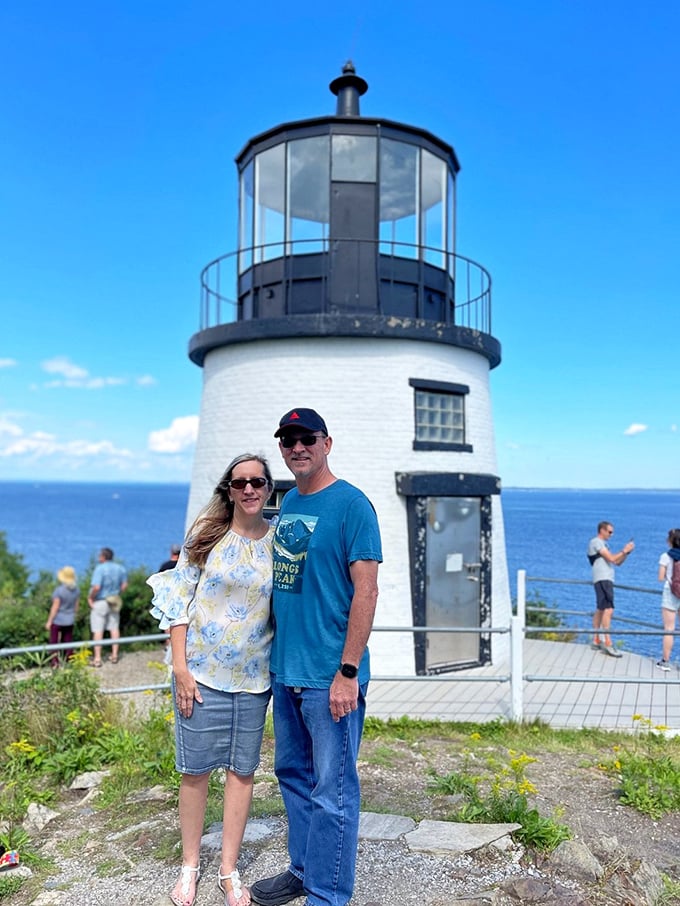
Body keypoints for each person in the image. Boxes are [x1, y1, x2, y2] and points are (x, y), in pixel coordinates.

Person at [251, 408, 382, 906]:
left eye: (307, 438)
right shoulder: (287, 501)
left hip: (331, 676)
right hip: (286, 670)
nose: (297, 447)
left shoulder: (353, 505)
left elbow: (366, 591)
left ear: (327, 443)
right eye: (288, 440)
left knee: (334, 791)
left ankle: (327, 895)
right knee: (293, 777)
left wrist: (347, 672)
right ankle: (304, 870)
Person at [148, 454, 276, 906]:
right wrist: (180, 669)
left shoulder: (278, 543)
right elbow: (178, 602)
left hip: (255, 680)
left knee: (242, 773)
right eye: (239, 482)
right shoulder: (206, 536)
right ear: (228, 489)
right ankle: (189, 867)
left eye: (257, 481)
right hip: (200, 677)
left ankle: (228, 870)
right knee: (195, 773)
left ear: (268, 487)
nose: (249, 489)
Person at [587, 521, 634, 657]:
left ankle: (596, 639)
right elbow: (612, 558)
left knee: (601, 609)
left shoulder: (604, 544)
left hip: (604, 578)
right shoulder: (596, 542)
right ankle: (607, 642)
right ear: (602, 530)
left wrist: (626, 553)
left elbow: (617, 562)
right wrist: (623, 550)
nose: (611, 535)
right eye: (609, 532)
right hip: (603, 578)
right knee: (609, 609)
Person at [88, 547, 128, 667]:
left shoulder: (100, 569)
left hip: (101, 600)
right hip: (114, 600)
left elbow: (96, 587)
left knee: (98, 629)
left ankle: (97, 658)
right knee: (114, 628)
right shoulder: (120, 568)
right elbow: (124, 585)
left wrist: (90, 598)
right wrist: (117, 593)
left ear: (103, 557)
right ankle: (114, 655)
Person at [45, 565, 79, 667]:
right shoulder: (76, 590)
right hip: (69, 619)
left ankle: (54, 661)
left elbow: (55, 607)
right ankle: (69, 659)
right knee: (68, 641)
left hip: (58, 620)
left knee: (54, 641)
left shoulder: (59, 591)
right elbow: (76, 606)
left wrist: (49, 621)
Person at [656, 528, 680, 670]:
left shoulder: (665, 556)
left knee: (669, 629)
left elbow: (660, 577)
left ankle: (665, 661)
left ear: (670, 541)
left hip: (670, 592)